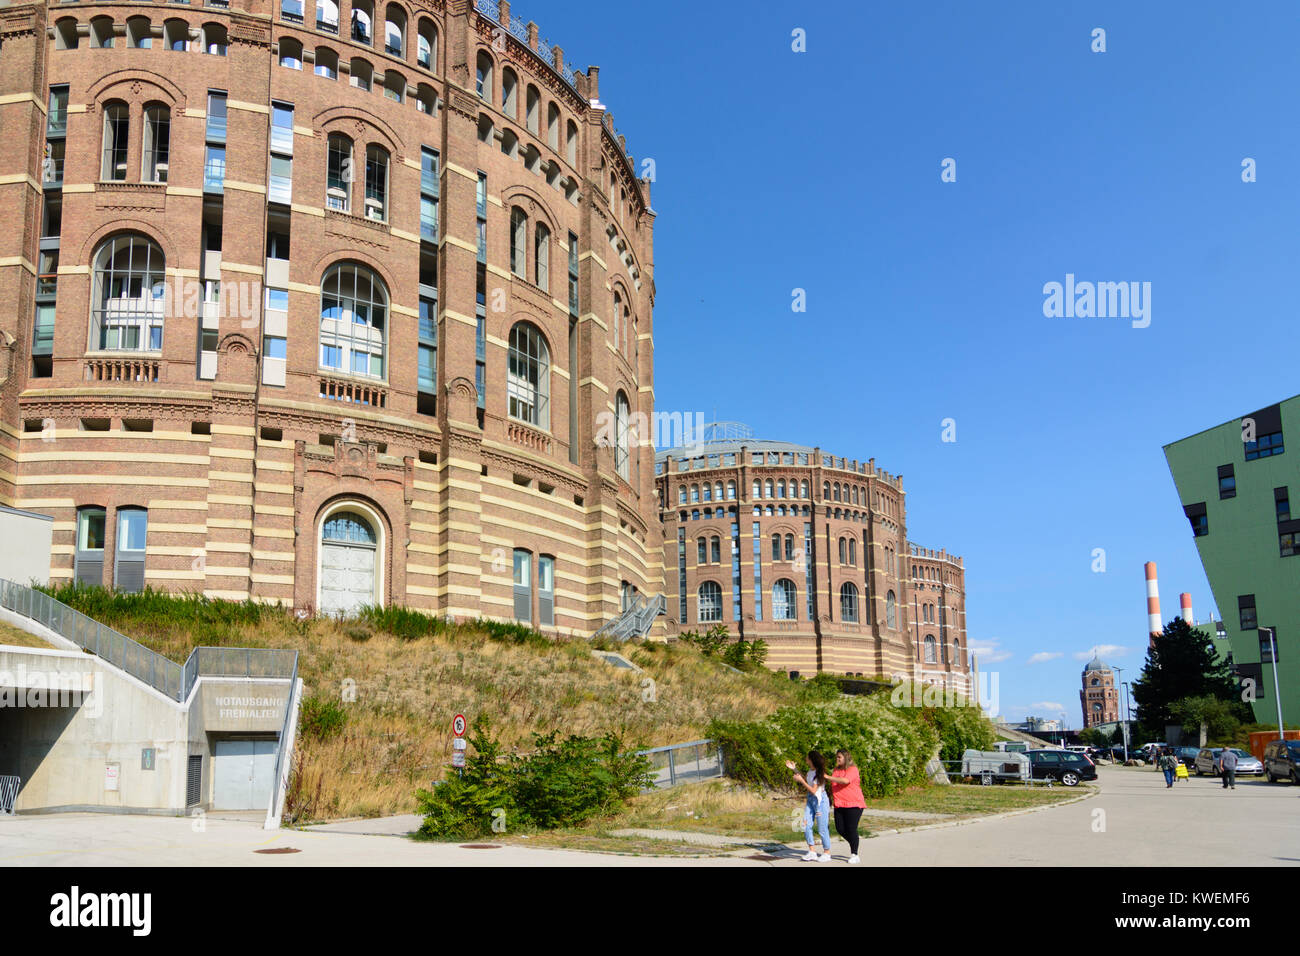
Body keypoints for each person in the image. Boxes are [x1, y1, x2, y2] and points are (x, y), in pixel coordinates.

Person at [785, 752, 832, 862]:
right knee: (805, 824)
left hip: (820, 802)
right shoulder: (810, 772)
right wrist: (794, 769)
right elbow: (805, 780)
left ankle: (827, 853)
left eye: (807, 758)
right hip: (810, 800)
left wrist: (801, 781)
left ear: (811, 760)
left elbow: (813, 790)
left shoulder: (819, 773)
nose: (805, 759)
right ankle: (812, 851)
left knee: (822, 828)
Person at [825, 749, 866, 864]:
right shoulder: (835, 770)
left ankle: (854, 853)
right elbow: (834, 784)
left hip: (854, 804)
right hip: (839, 804)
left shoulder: (853, 769)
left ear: (846, 758)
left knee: (851, 829)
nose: (837, 759)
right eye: (836, 757)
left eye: (839, 757)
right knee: (840, 828)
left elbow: (845, 780)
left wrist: (827, 777)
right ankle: (854, 841)